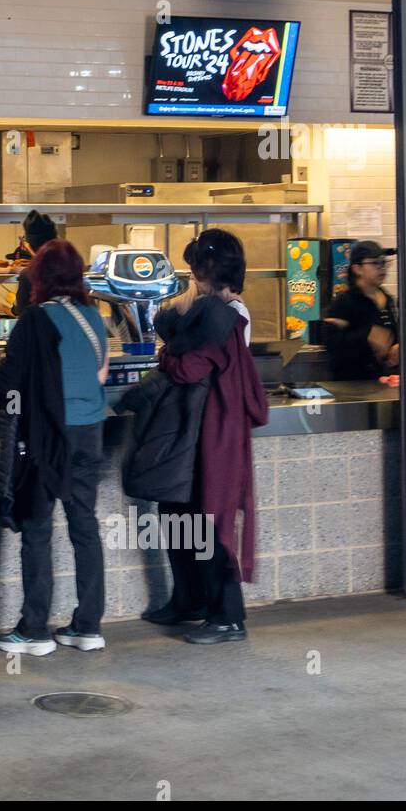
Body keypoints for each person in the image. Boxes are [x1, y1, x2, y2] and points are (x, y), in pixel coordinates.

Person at [0, 240, 110, 656]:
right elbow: (100, 373)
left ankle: (35, 629)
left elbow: (10, 381)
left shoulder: (35, 320)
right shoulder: (95, 317)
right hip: (90, 432)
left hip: (47, 434)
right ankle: (88, 626)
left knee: (37, 530)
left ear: (38, 277)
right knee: (84, 526)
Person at [145, 228, 269, 644]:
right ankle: (191, 599)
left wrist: (166, 355)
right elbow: (167, 323)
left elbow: (188, 366)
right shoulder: (210, 307)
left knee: (210, 518)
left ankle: (227, 615)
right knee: (179, 511)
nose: (192, 274)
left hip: (216, 428)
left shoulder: (225, 314)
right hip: (202, 427)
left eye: (196, 267)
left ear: (208, 269)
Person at [324, 240, 399, 379]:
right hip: (353, 385)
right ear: (357, 269)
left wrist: (397, 348)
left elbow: (393, 336)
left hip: (383, 382)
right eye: (375, 263)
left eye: (384, 263)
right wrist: (366, 336)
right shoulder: (344, 302)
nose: (382, 268)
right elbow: (332, 346)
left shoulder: (387, 299)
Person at [11, 210, 58, 316]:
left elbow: (22, 313)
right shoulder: (72, 268)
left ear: (31, 246)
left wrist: (13, 309)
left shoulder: (29, 275)